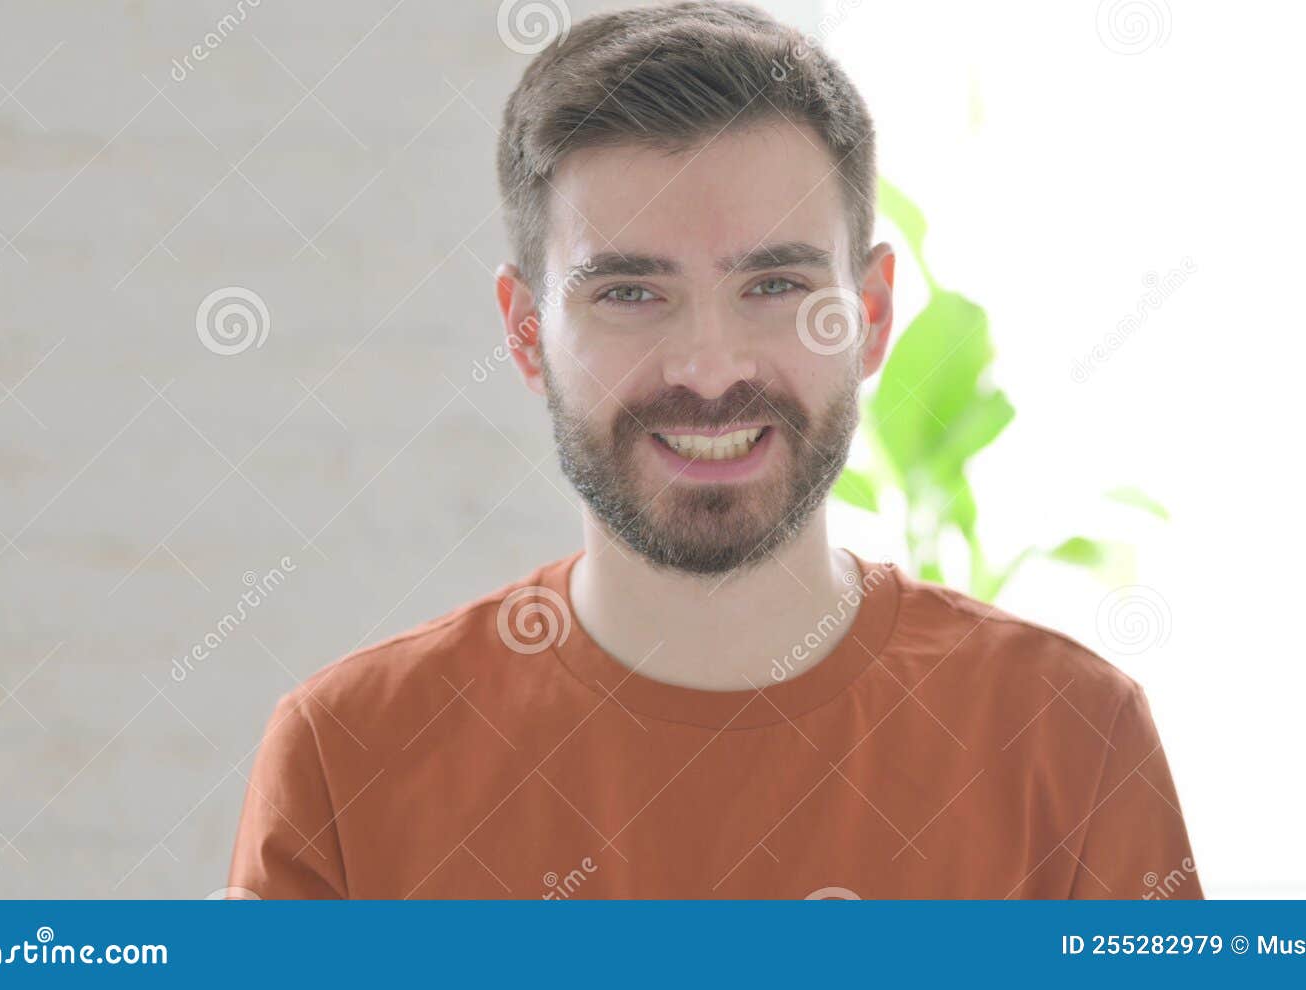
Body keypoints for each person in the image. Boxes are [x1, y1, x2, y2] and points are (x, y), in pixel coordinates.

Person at [227, 0, 1201, 899]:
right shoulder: (344, 760)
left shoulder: (1068, 740)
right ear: (527, 334)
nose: (705, 368)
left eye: (773, 285)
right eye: (630, 292)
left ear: (866, 314)